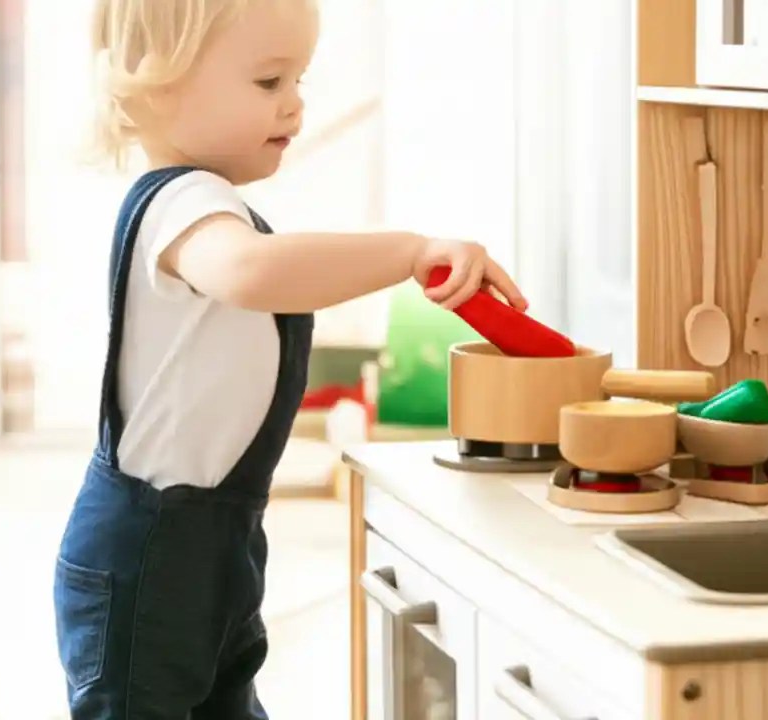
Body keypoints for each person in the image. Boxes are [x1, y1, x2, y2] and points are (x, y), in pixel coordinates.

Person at [53, 1, 525, 717]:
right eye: (270, 81)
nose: (296, 105)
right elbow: (252, 272)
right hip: (149, 552)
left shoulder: (211, 204)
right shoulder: (182, 205)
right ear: (158, 86)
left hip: (216, 538)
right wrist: (407, 252)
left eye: (298, 79)